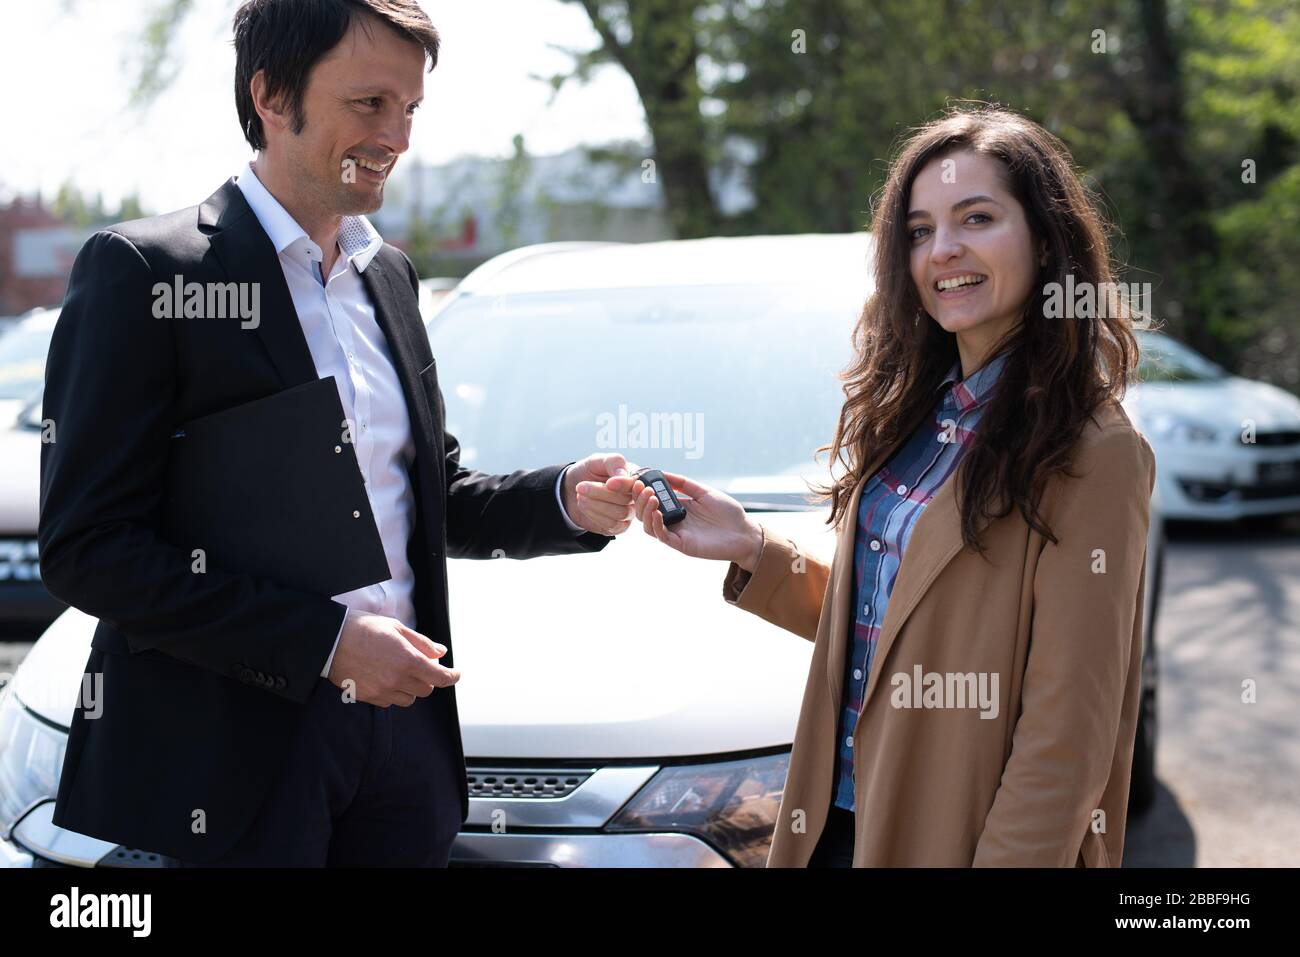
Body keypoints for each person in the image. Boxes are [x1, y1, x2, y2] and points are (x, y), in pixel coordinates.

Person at [38, 0, 639, 867]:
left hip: (406, 753)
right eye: (370, 104)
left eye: (409, 110)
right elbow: (88, 548)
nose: (395, 136)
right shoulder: (146, 273)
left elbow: (432, 490)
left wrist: (563, 499)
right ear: (273, 95)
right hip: (235, 765)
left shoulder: (389, 276)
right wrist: (323, 645)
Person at [627, 105, 1156, 867]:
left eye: (977, 218)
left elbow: (1069, 731)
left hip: (958, 838)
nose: (944, 250)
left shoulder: (1093, 450)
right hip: (836, 824)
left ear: (1046, 239)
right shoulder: (915, 408)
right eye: (919, 230)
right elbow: (905, 629)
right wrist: (752, 547)